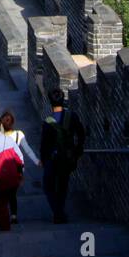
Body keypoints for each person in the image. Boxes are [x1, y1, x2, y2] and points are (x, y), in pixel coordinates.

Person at [40, 88, 86, 224]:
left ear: (50, 102)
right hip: (68, 157)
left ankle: (58, 212)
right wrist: (77, 151)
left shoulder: (48, 122)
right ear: (63, 99)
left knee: (48, 186)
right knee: (63, 185)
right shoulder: (72, 116)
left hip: (53, 160)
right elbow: (81, 134)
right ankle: (60, 211)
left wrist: (43, 160)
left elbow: (44, 146)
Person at [0, 111, 40, 224]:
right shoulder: (19, 134)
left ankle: (5, 215)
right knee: (12, 193)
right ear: (13, 122)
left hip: (3, 169)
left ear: (2, 124)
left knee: (4, 193)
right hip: (17, 168)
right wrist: (37, 161)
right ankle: (14, 215)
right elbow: (28, 150)